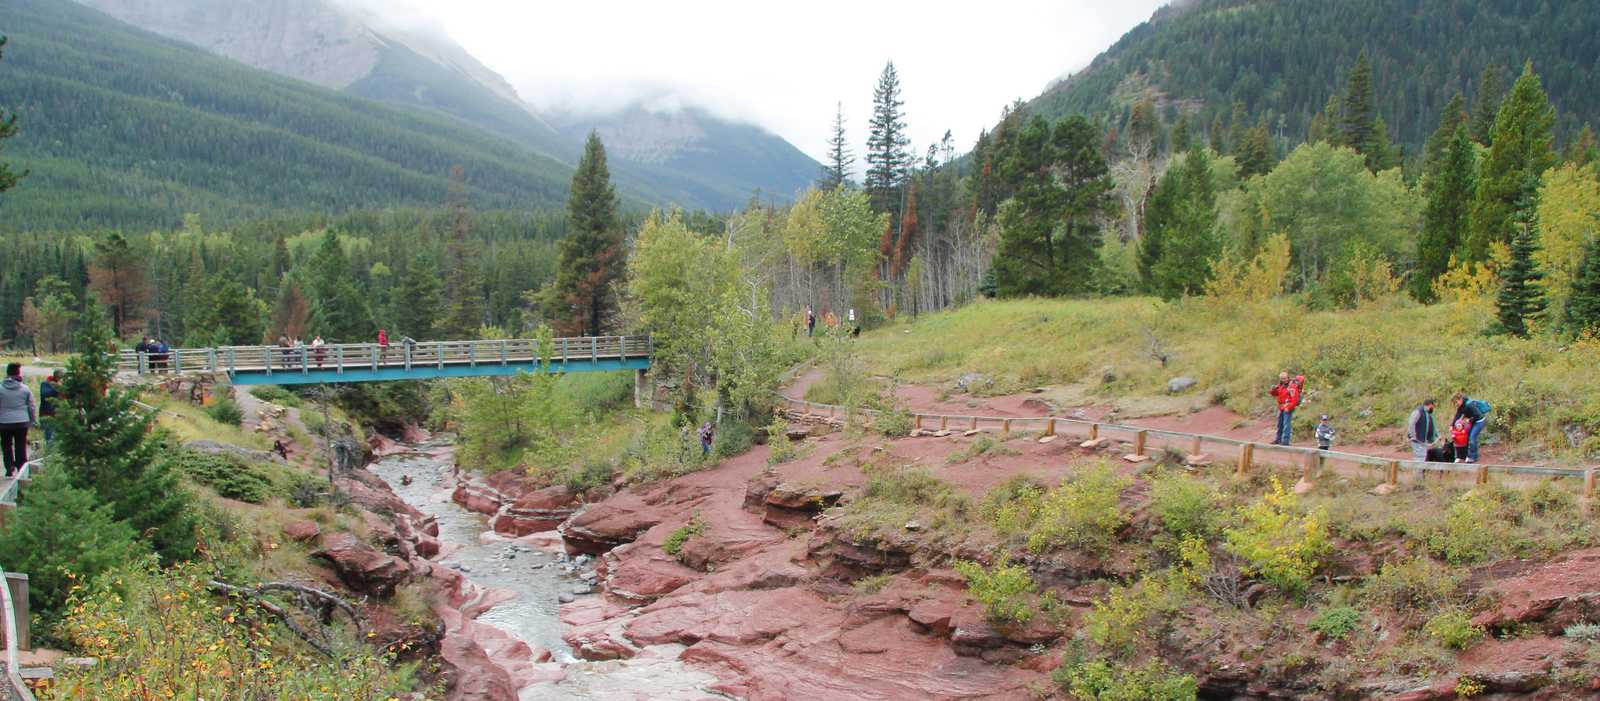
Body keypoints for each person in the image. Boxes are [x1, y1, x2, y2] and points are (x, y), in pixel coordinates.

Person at [0, 363, 37, 476]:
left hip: (4, 422)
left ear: (7, 373)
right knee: (20, 444)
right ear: (18, 373)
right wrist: (32, 420)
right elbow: (31, 406)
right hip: (22, 422)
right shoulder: (25, 388)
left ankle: (9, 466)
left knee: (6, 445)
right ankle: (21, 467)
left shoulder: (0, 388)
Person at [1452, 393, 1491, 463]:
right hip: (1472, 421)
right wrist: (1452, 425)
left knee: (1472, 438)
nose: (1455, 404)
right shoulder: (1461, 406)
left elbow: (1478, 415)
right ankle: (1465, 455)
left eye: (1456, 402)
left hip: (1479, 421)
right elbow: (1457, 415)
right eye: (1454, 403)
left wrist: (1469, 420)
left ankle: (1473, 457)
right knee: (1466, 437)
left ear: (1460, 399)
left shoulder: (1469, 405)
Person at [1268, 371, 1304, 445]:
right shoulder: (1281, 386)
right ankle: (1278, 439)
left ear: (1288, 378)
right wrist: (1272, 390)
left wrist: (1289, 407)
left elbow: (1295, 399)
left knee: (1286, 424)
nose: (1283, 380)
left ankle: (1285, 441)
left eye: (1284, 378)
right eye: (1281, 378)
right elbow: (1276, 394)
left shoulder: (1292, 386)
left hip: (1288, 406)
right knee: (1280, 424)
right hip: (1281, 406)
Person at [38, 371, 60, 445]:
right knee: (50, 438)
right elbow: (45, 394)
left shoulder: (64, 385)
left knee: (58, 438)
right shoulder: (45, 384)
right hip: (48, 414)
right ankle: (50, 453)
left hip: (60, 414)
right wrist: (58, 388)